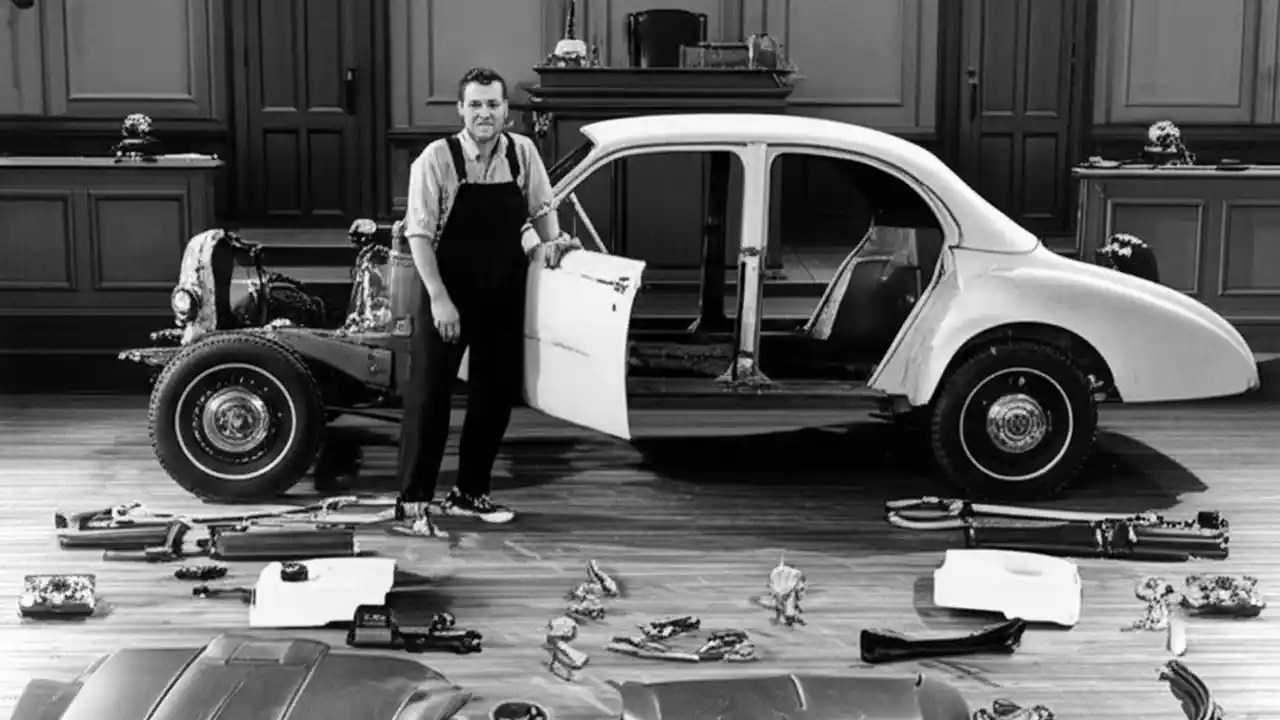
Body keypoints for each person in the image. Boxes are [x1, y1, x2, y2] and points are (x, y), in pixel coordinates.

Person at [395, 67, 580, 537]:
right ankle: (414, 502)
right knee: (430, 397)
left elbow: (542, 211)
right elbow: (419, 236)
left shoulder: (523, 153)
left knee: (493, 396)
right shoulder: (435, 159)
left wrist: (553, 246)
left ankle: (469, 494)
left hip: (503, 291)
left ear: (505, 111)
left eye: (493, 104)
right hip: (445, 290)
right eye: (475, 104)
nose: (484, 113)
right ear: (461, 109)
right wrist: (440, 300)